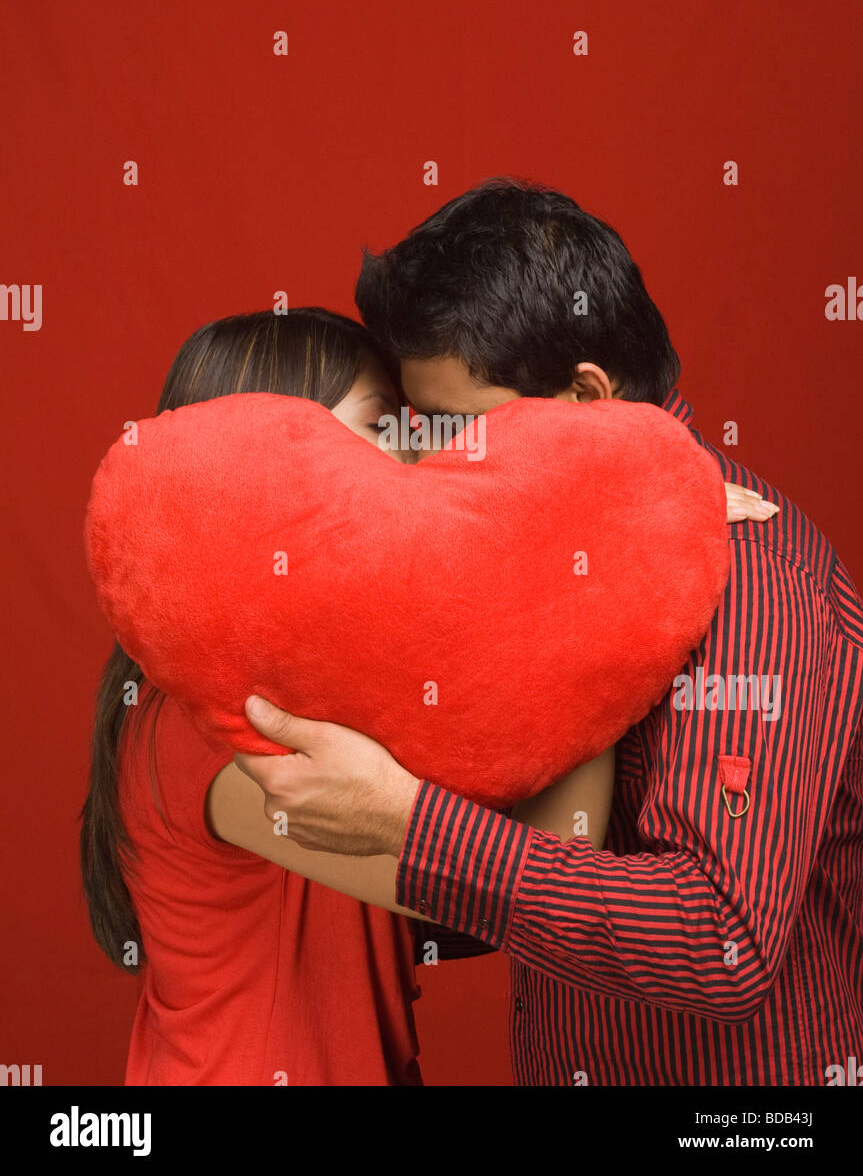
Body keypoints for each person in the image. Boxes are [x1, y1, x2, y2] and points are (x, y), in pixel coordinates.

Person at [233, 177, 863, 1086]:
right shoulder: (548, 548)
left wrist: (411, 825)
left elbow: (720, 939)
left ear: (585, 396)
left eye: (463, 427)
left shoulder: (752, 581)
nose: (436, 461)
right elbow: (542, 855)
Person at [79, 305, 618, 1086]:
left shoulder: (308, 679)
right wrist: (602, 586)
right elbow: (550, 869)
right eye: (376, 429)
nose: (411, 458)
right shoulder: (219, 727)